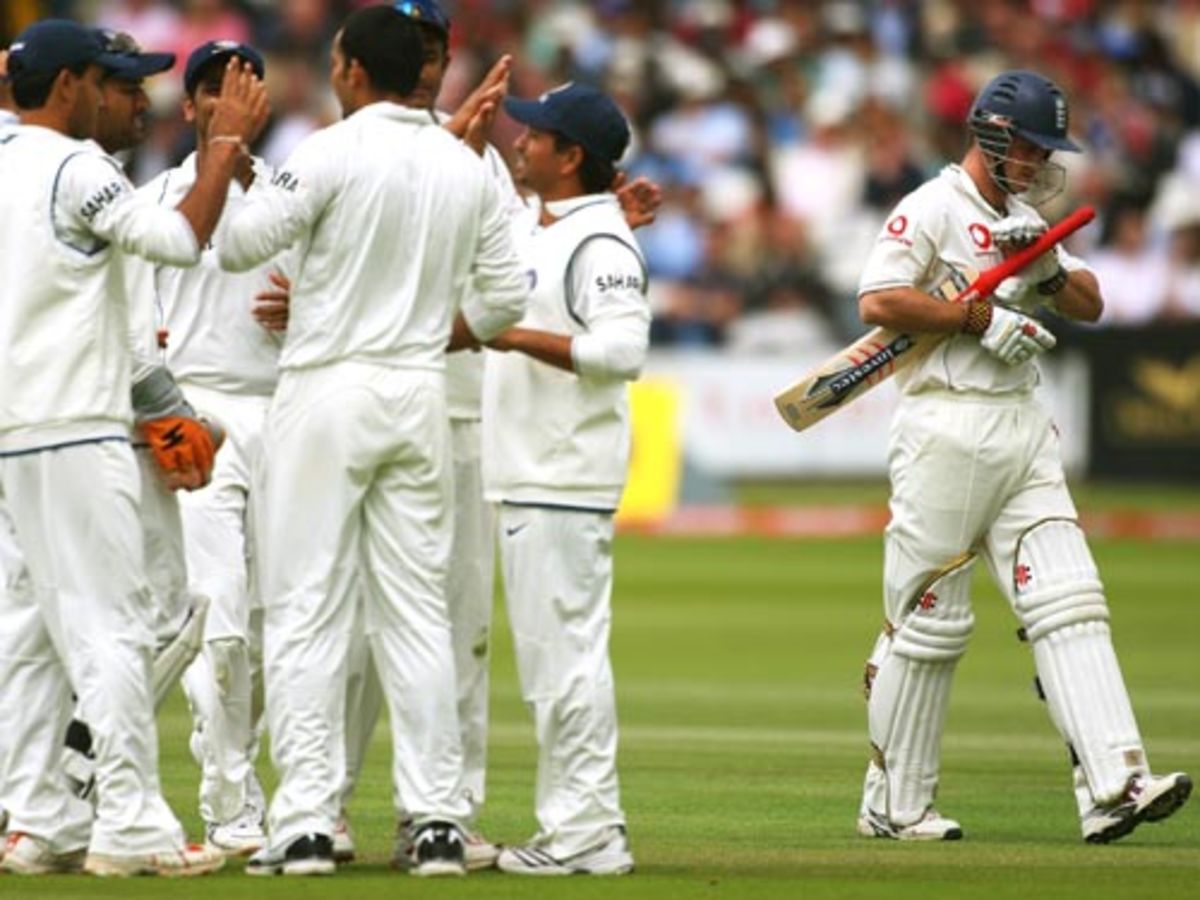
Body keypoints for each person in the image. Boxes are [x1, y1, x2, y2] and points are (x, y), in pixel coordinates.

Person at [213, 5, 527, 876]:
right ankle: (434, 823)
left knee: (309, 606)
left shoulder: (327, 150)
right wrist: (437, 331)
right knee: (418, 612)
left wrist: (233, 157)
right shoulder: (464, 164)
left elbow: (239, 247)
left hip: (326, 388)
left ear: (351, 71)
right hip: (420, 392)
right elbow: (506, 296)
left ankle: (308, 820)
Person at [853, 69, 1192, 843]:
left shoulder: (1019, 218)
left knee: (1070, 600)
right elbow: (877, 302)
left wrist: (1040, 267)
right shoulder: (932, 206)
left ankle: (1113, 784)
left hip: (1021, 425)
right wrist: (970, 321)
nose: (1042, 163)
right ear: (994, 136)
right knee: (930, 623)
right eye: (1033, 148)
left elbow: (1092, 301)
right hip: (946, 423)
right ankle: (893, 803)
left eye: (1048, 152)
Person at [0, 17, 265, 877]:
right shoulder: (76, 167)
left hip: (21, 431)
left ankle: (41, 822)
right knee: (116, 627)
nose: (138, 100)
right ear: (69, 84)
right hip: (76, 426)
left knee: (36, 637)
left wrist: (159, 401)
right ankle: (132, 825)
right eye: (119, 84)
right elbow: (179, 241)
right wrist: (224, 145)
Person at [480, 82, 650, 876]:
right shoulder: (550, 224)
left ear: (571, 157)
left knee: (565, 666)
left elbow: (622, 352)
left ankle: (586, 836)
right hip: (534, 473)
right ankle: (587, 828)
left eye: (538, 135)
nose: (523, 141)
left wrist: (515, 336)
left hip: (562, 475)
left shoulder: (600, 245)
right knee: (556, 665)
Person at [140, 38, 277, 858]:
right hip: (197, 420)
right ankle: (231, 807)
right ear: (190, 107)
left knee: (277, 632)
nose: (232, 103)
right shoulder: (154, 202)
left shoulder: (295, 201)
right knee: (219, 623)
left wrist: (316, 306)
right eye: (217, 90)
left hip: (289, 418)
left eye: (246, 89)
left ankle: (284, 800)